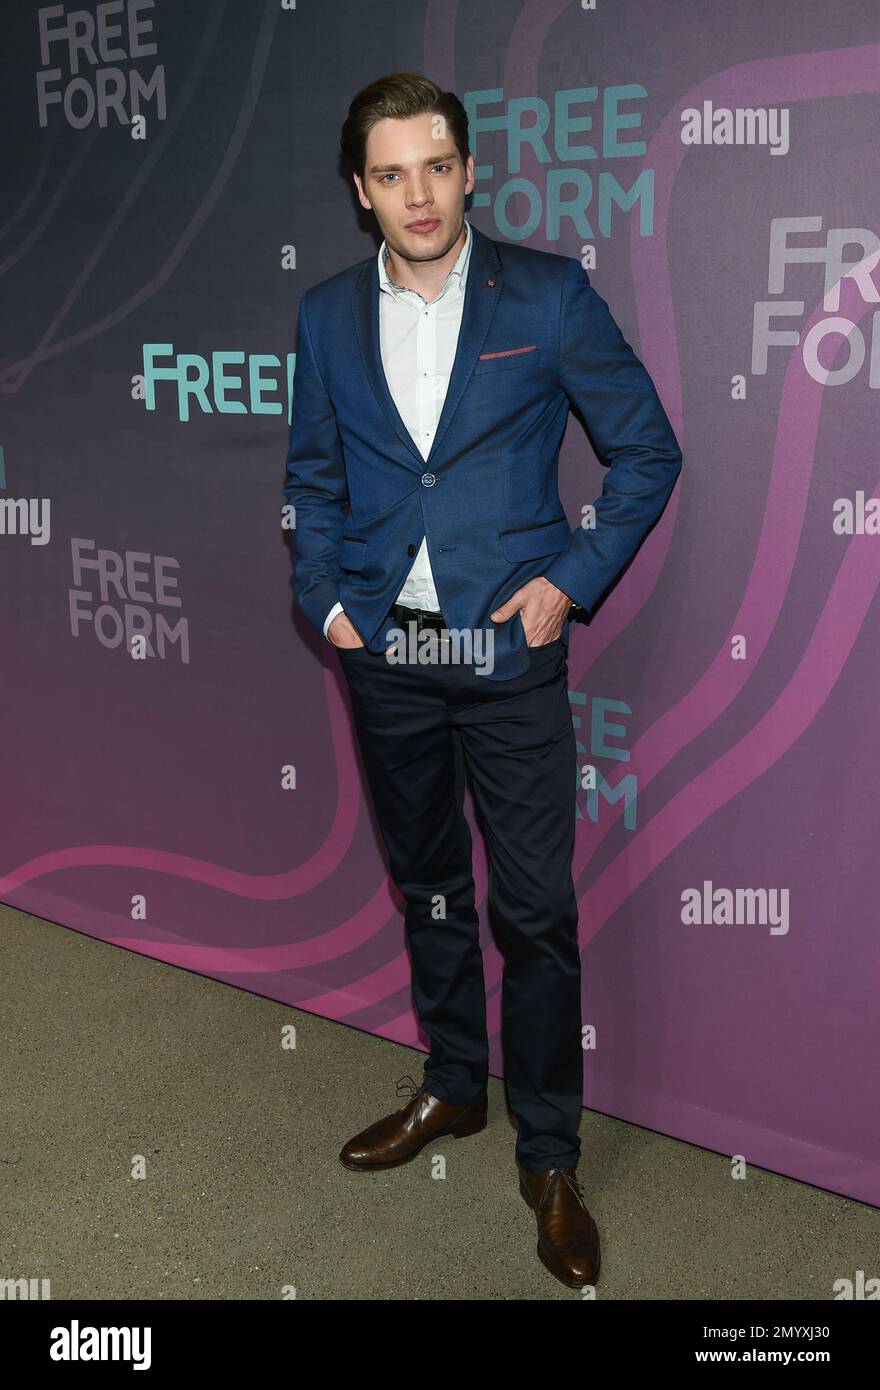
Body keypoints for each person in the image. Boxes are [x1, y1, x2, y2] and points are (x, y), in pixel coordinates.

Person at [282, 71, 682, 1289]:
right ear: (361, 191)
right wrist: (330, 604)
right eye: (390, 172)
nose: (418, 191)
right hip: (387, 659)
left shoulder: (548, 296)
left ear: (468, 172)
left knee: (534, 910)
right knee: (429, 889)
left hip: (506, 655)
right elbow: (310, 476)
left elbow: (647, 451)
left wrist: (570, 577)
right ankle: (455, 1086)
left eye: (436, 165)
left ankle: (549, 1155)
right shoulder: (325, 314)